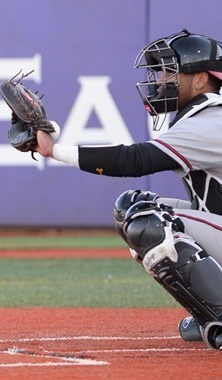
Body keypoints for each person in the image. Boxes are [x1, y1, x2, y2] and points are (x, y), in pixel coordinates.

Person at [32, 29, 222, 349]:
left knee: (149, 221)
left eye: (169, 70)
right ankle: (210, 314)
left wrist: (53, 150)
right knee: (132, 207)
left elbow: (134, 160)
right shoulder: (207, 116)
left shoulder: (212, 119)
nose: (161, 79)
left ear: (201, 79)